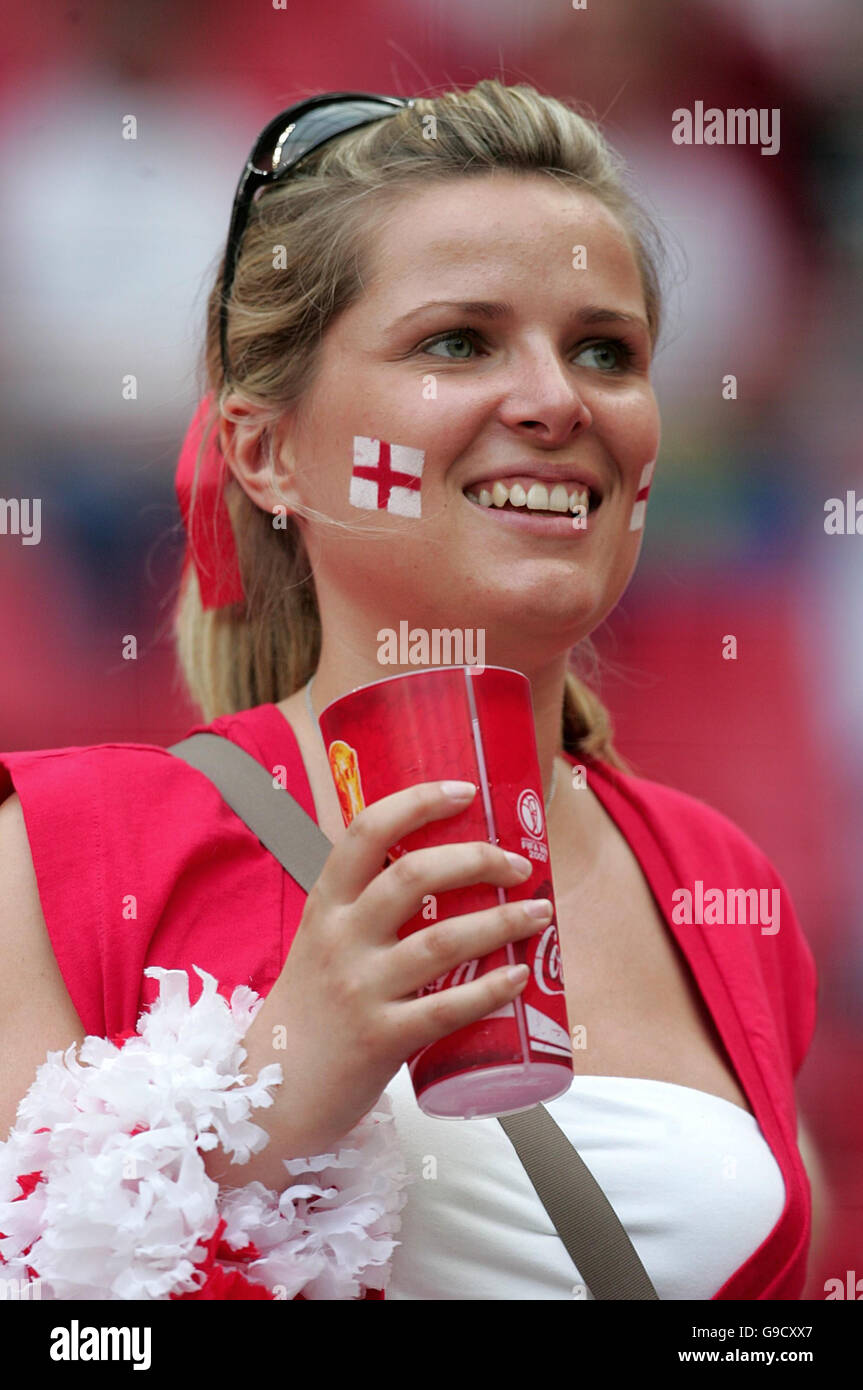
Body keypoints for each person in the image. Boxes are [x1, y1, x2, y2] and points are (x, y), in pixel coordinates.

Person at [0, 79, 818, 1301]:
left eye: (605, 350)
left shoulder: (722, 882)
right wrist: (276, 1096)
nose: (555, 400)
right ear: (266, 451)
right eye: (458, 342)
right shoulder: (69, 854)